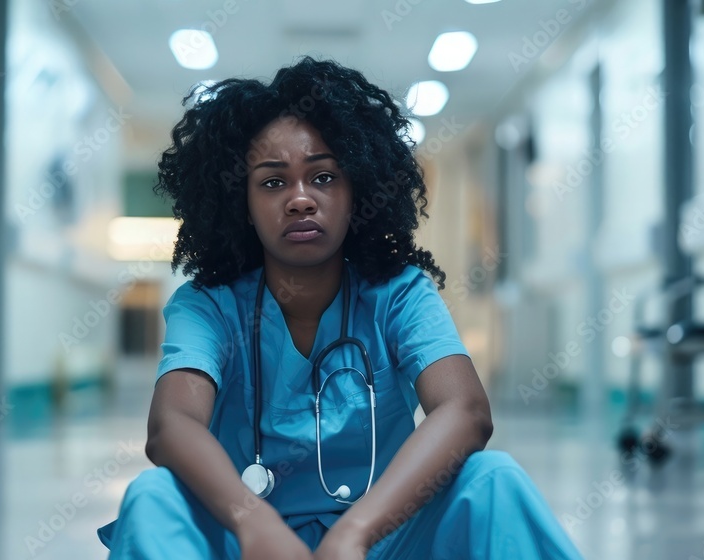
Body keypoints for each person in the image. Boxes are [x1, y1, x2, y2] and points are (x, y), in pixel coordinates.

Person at [97, 57, 582, 560]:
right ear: (240, 202)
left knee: (494, 478)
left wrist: (356, 533)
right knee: (152, 496)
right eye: (272, 182)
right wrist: (255, 525)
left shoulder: (397, 293)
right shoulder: (209, 305)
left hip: (380, 542)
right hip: (246, 543)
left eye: (324, 178)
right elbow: (172, 424)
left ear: (358, 190)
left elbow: (464, 409)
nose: (300, 199)